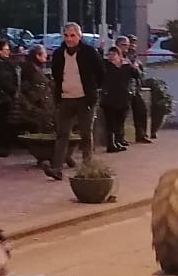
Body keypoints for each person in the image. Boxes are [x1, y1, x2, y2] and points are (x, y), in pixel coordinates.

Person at [46, 22, 103, 178]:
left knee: (86, 134)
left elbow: (101, 72)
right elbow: (57, 75)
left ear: (79, 36)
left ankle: (88, 169)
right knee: (62, 134)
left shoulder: (89, 53)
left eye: (72, 36)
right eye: (66, 36)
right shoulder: (59, 54)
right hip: (65, 98)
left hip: (85, 99)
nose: (69, 39)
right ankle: (56, 168)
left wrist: (93, 90)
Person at [0, 37, 21, 156]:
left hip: (5, 97)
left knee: (3, 122)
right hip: (0, 98)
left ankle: (1, 147)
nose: (8, 51)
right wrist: (11, 89)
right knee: (1, 122)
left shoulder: (6, 64)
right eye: (5, 49)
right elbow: (1, 80)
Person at [100, 46, 138, 151]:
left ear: (119, 55)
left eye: (114, 54)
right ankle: (110, 144)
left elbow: (136, 75)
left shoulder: (126, 67)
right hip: (109, 98)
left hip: (123, 98)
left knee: (120, 122)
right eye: (109, 54)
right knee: (110, 123)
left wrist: (133, 65)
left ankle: (118, 141)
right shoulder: (106, 66)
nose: (111, 57)